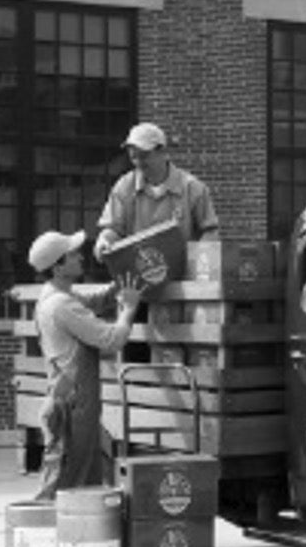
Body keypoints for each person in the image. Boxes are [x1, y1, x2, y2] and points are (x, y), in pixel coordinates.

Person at [30, 229, 143, 500]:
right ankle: (45, 525)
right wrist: (128, 309)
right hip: (73, 407)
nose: (81, 257)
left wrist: (120, 282)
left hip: (69, 401)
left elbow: (95, 301)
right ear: (58, 267)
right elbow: (111, 340)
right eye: (73, 255)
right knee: (67, 484)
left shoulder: (54, 296)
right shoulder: (62, 306)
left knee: (81, 482)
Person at [93, 122, 220, 262]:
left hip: (183, 272)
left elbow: (210, 231)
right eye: (134, 156)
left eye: (144, 155)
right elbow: (113, 229)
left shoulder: (193, 189)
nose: (139, 162)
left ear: (163, 152)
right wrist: (104, 241)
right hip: (140, 271)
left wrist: (201, 266)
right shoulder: (123, 188)